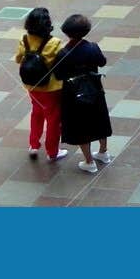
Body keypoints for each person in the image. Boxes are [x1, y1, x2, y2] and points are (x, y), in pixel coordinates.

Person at [55, 13, 114, 174]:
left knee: (80, 126)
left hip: (73, 95)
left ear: (67, 32)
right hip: (95, 90)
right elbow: (102, 62)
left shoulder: (63, 54)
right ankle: (103, 152)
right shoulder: (93, 48)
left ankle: (89, 161)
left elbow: (58, 75)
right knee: (100, 119)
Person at [15, 7, 67, 162]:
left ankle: (34, 145)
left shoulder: (24, 40)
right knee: (53, 120)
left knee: (36, 113)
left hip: (32, 87)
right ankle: (52, 152)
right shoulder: (55, 43)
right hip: (51, 88)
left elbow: (18, 59)